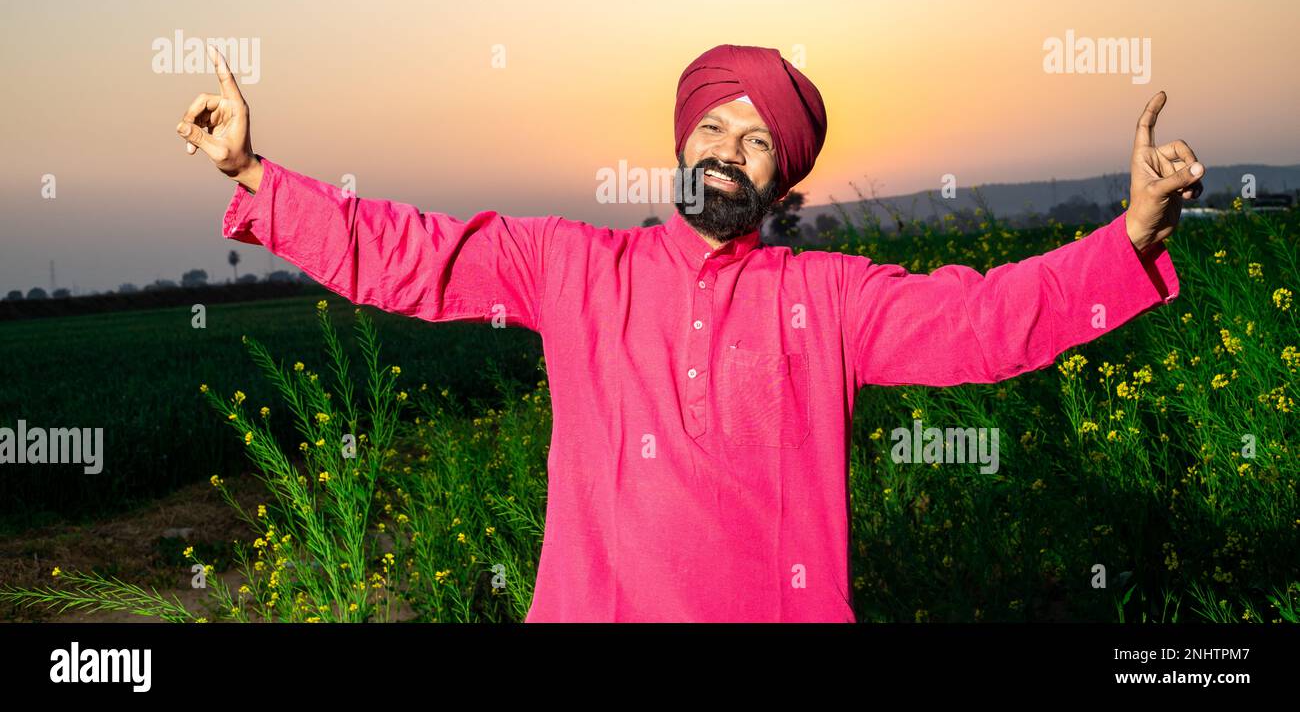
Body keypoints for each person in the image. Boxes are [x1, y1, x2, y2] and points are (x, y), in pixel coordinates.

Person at [175, 43, 1203, 622]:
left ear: (781, 177)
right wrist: (257, 177)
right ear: (681, 144)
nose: (728, 148)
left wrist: (1127, 239)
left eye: (757, 140)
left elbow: (984, 319)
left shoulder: (834, 296)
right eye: (713, 126)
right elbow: (407, 251)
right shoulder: (575, 267)